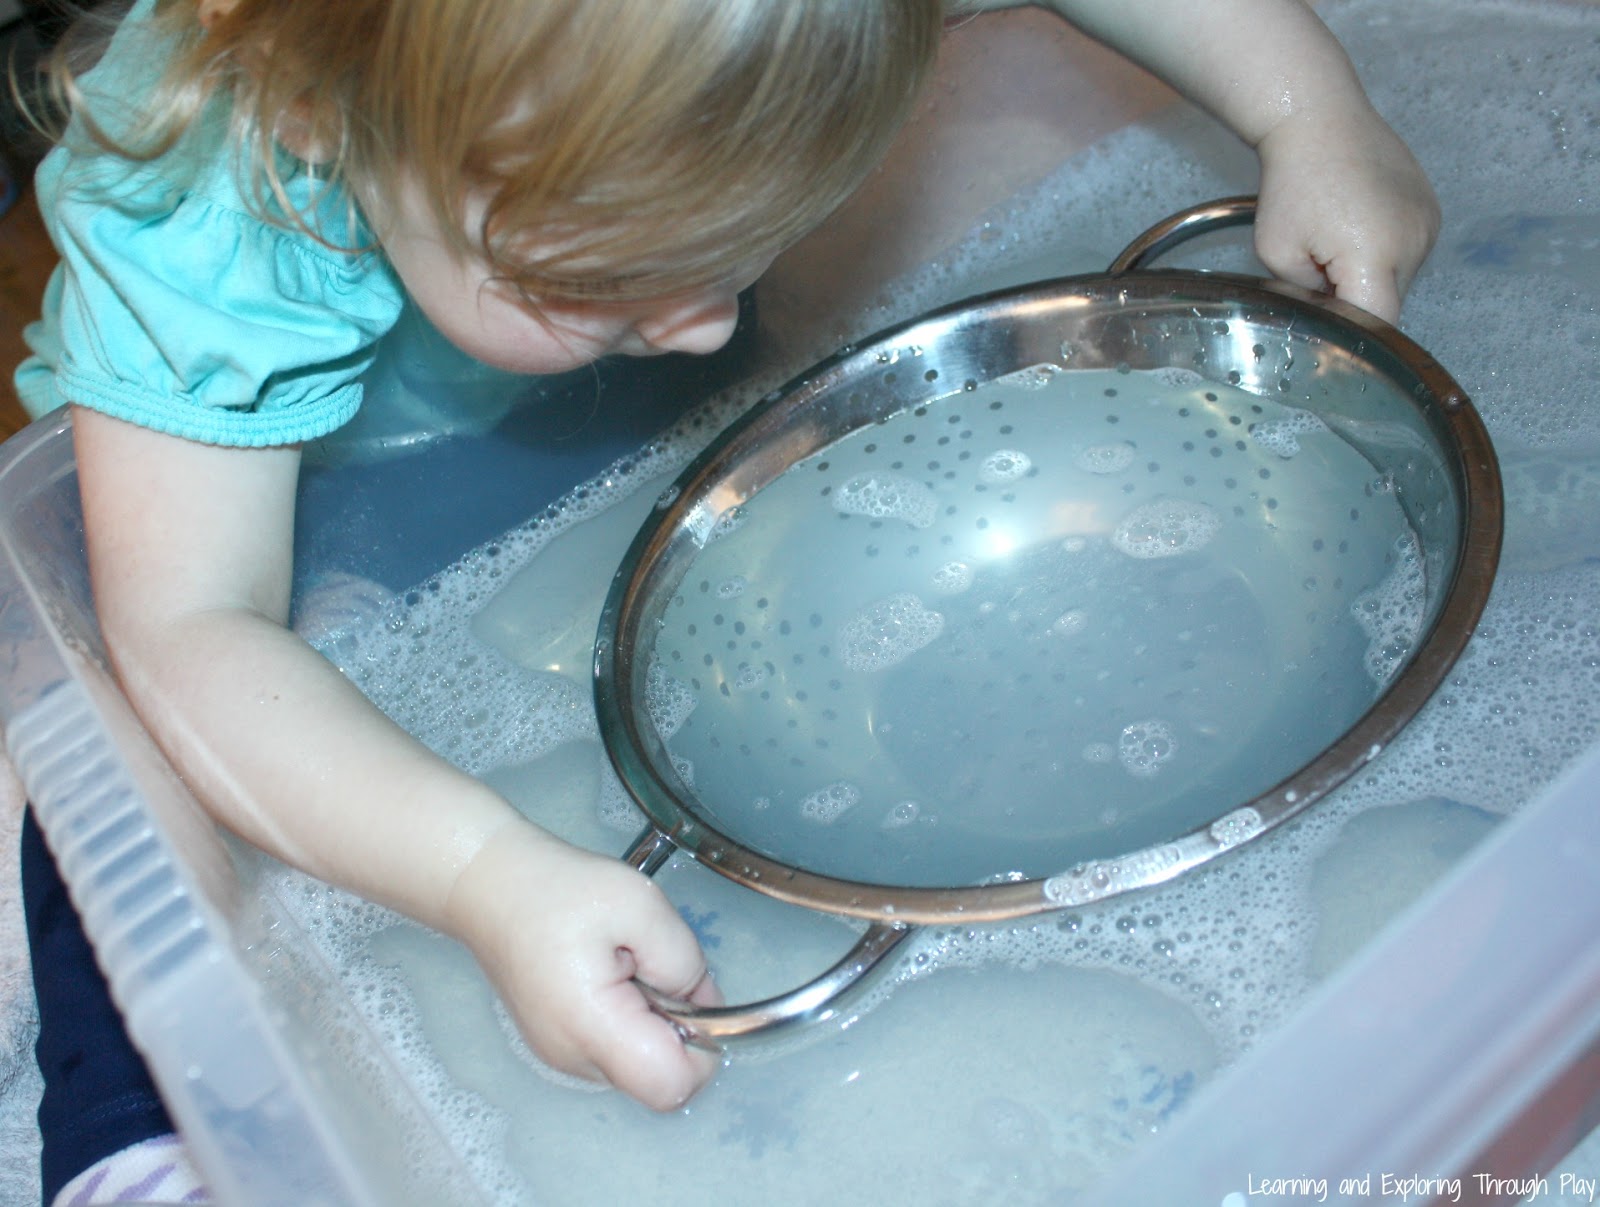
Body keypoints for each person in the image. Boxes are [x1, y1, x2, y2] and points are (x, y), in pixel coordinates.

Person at [14, 0, 1437, 1200]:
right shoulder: (205, 196)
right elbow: (187, 632)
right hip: (256, 483)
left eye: (749, 244)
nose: (707, 316)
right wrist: (480, 876)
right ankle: (128, 1130)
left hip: (564, 427)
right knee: (121, 768)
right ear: (332, 112)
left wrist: (1309, 113)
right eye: (611, 272)